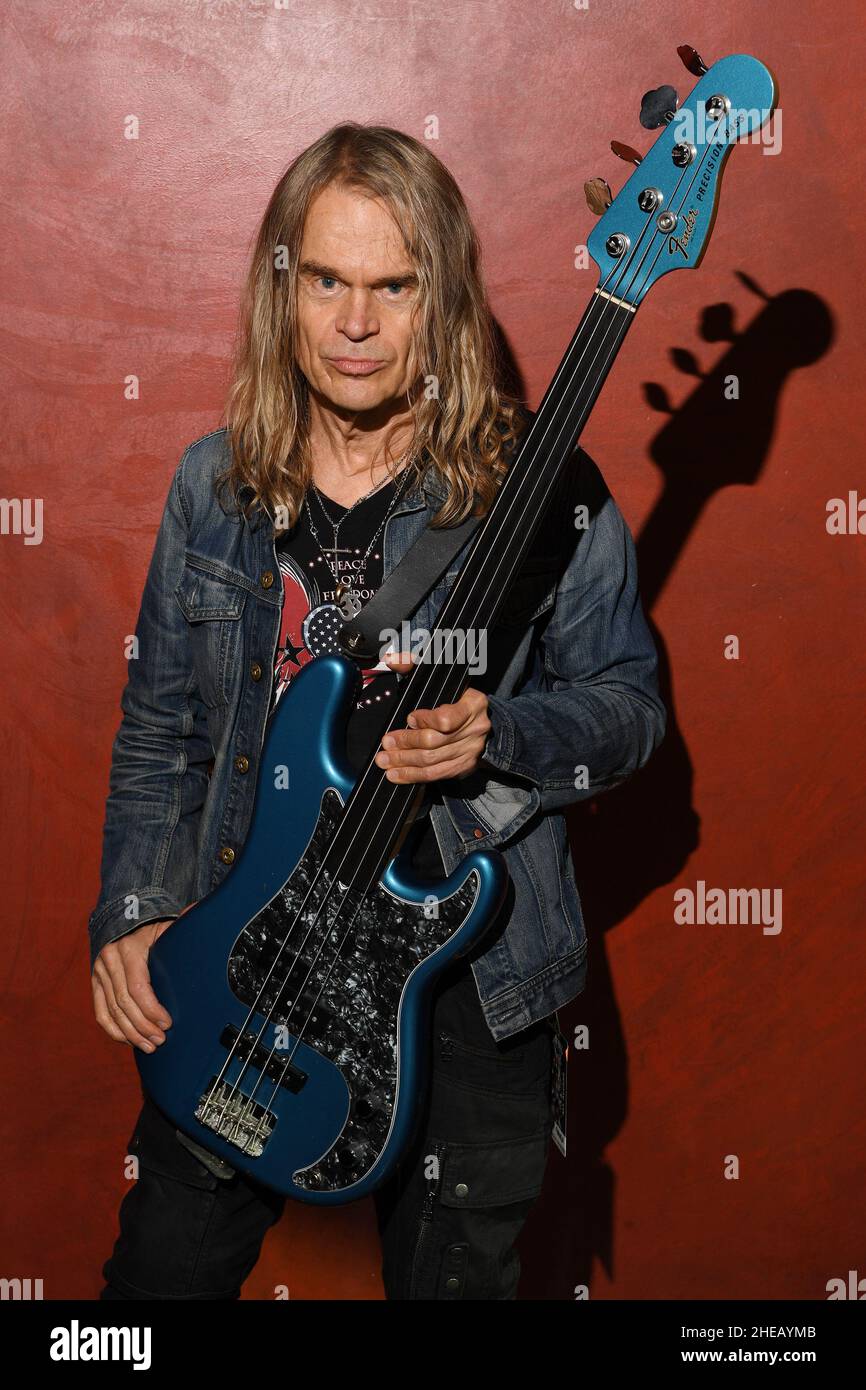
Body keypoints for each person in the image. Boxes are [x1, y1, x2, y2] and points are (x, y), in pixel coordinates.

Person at [88, 122, 666, 1301]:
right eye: (329, 282)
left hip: (467, 985)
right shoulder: (214, 487)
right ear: (282, 287)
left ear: (440, 295)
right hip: (250, 962)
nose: (356, 325)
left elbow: (630, 707)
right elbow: (163, 731)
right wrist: (134, 909)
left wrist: (497, 736)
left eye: (393, 286)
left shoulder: (543, 489)